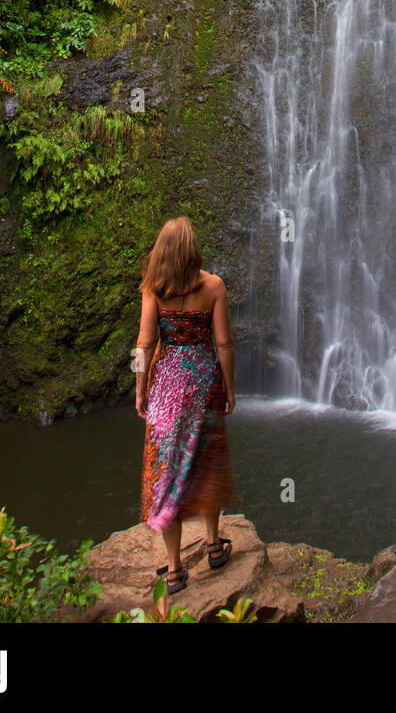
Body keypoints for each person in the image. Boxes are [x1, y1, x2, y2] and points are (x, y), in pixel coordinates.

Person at [135, 216, 239, 594]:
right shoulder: (213, 286)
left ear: (162, 252)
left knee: (165, 471)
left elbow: (145, 345)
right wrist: (229, 387)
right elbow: (224, 344)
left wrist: (141, 388)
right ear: (193, 249)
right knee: (207, 460)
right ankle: (213, 546)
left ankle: (176, 570)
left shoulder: (154, 289)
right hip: (204, 380)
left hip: (165, 383)